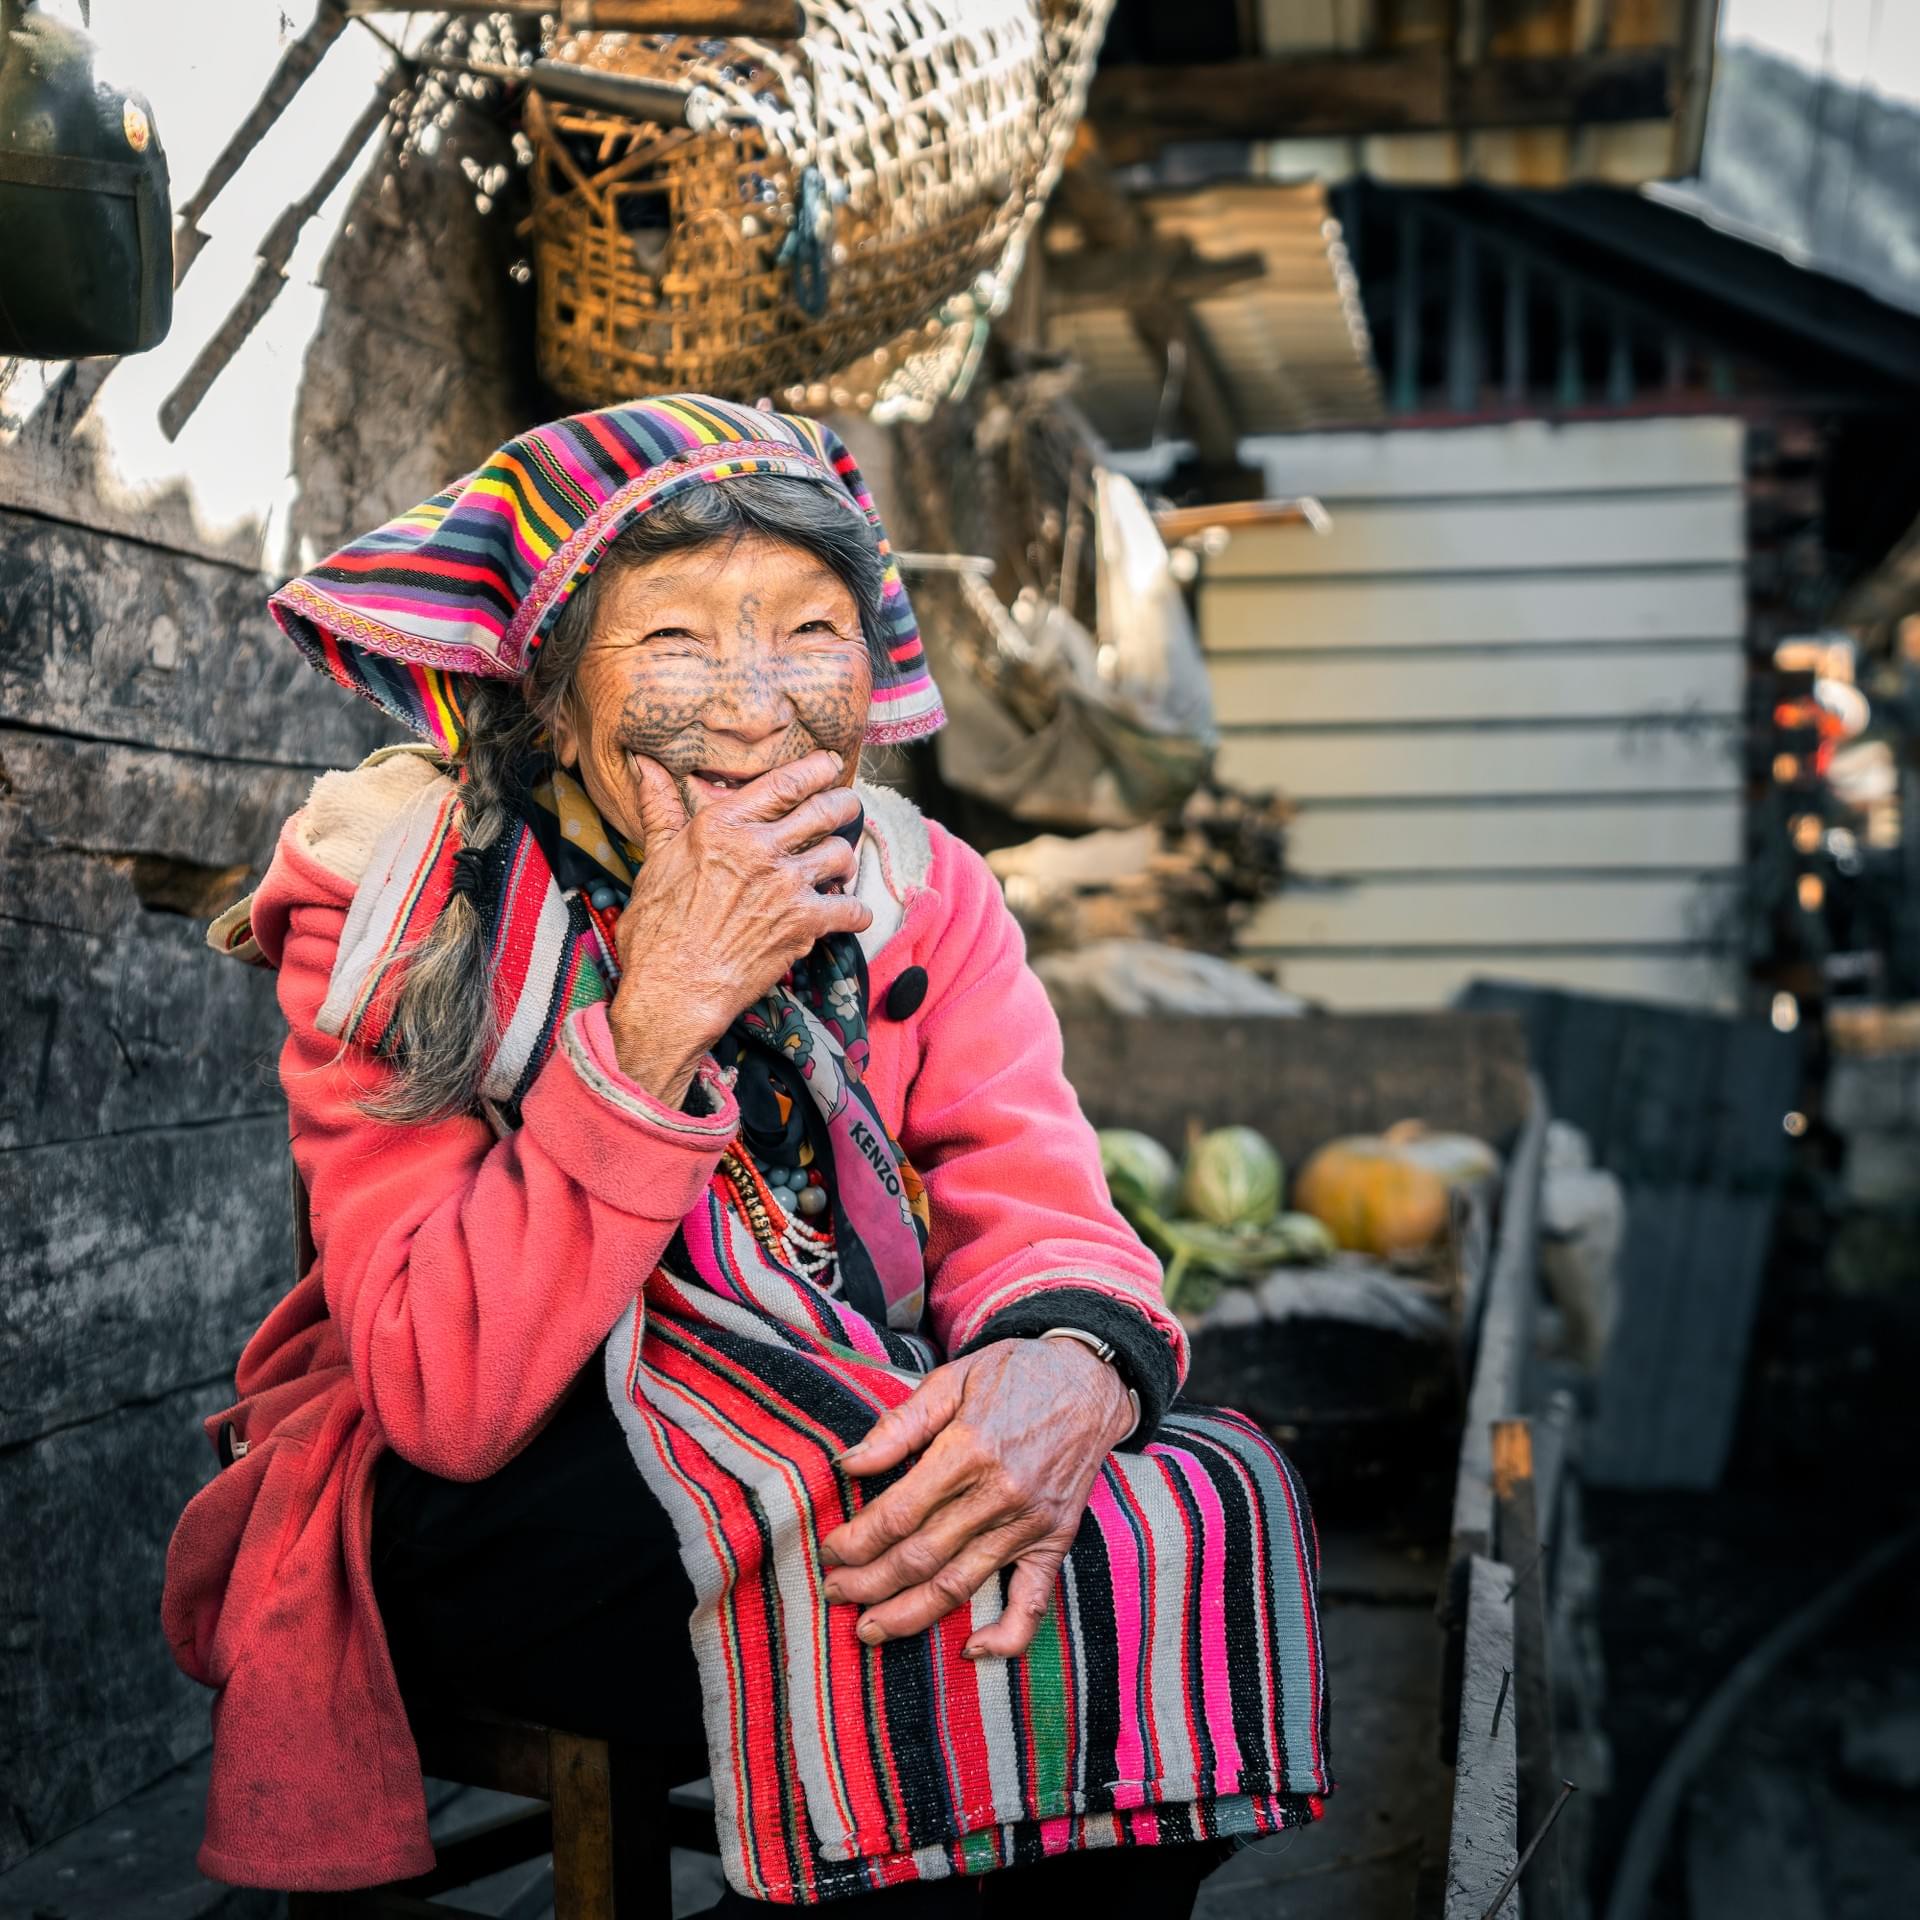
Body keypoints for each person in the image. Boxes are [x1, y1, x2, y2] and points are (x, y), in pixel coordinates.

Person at [162, 396, 1331, 1912]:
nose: (760, 698)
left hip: (831, 1418)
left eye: (809, 628)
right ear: (555, 703)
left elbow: (1043, 1205)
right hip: (501, 1492)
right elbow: (442, 1394)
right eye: (675, 641)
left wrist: (1070, 1368)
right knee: (969, 1614)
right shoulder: (400, 898)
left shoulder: (924, 893)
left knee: (1205, 1518)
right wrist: (653, 1025)